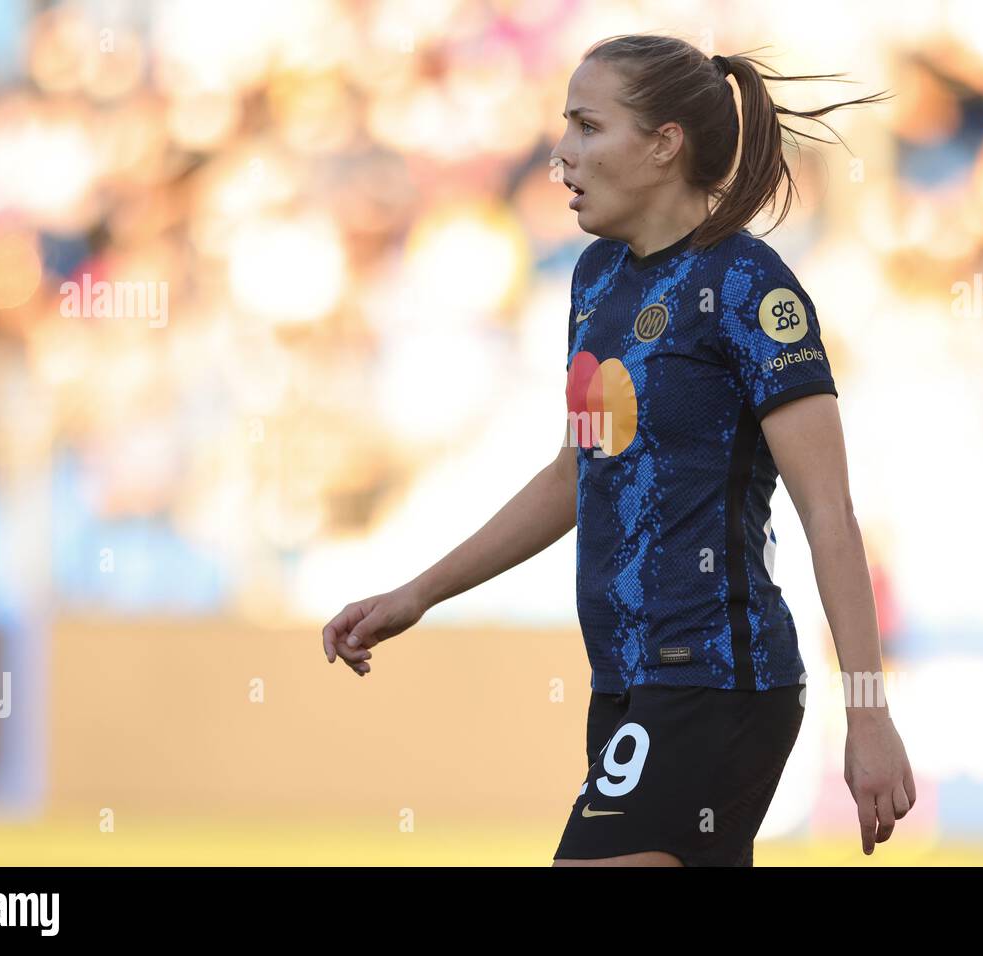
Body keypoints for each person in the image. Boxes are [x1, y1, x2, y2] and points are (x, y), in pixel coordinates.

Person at [322, 33, 915, 867]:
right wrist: (416, 594)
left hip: (714, 677)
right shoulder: (596, 279)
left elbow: (829, 511)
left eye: (587, 126)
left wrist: (868, 713)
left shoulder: (750, 288)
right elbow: (576, 476)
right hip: (626, 682)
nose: (560, 152)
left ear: (664, 144)